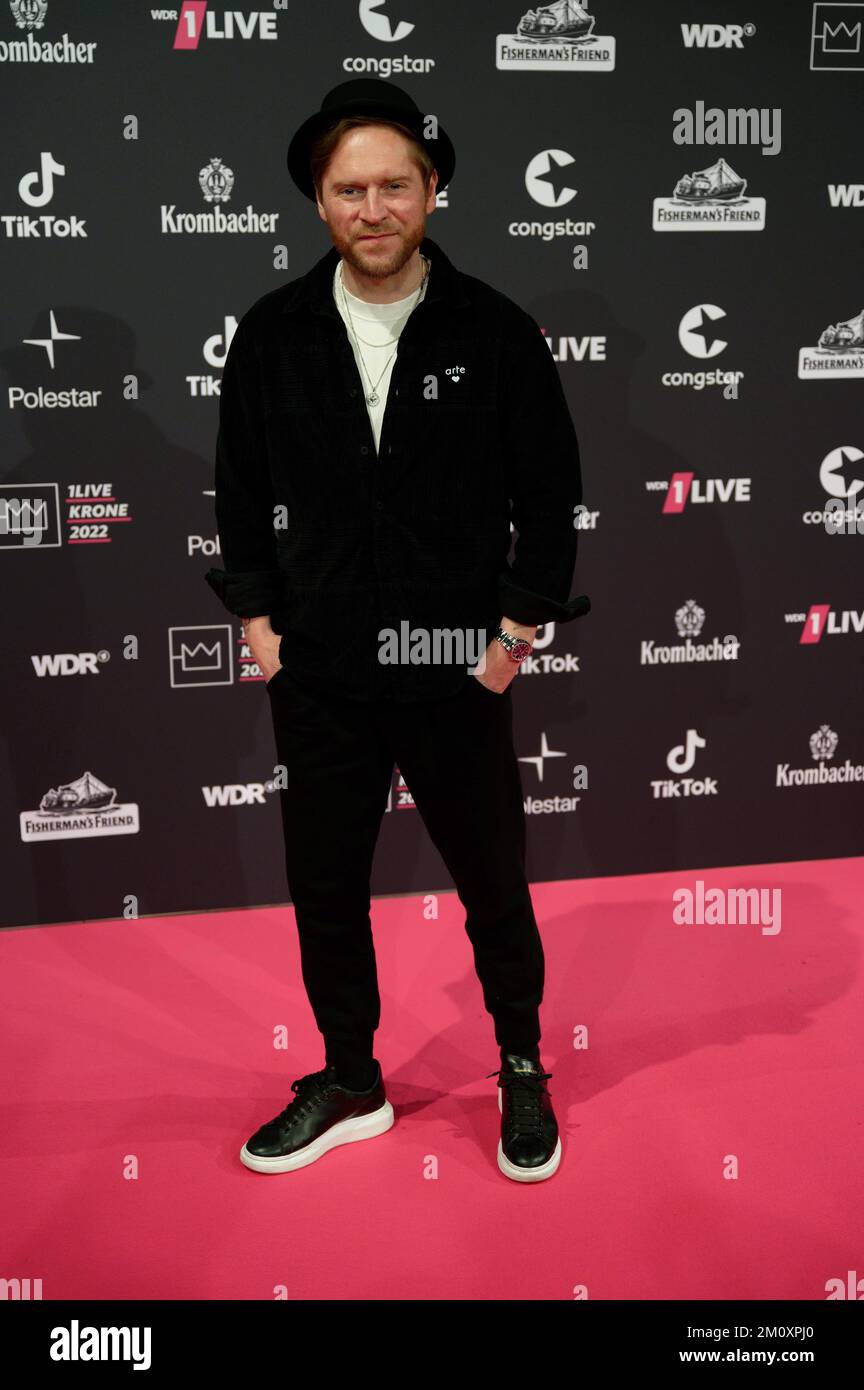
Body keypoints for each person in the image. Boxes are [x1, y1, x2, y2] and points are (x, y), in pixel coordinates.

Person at [204, 78, 590, 1183]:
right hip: (319, 666)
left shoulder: (498, 330)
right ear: (318, 202)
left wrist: (511, 635)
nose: (372, 207)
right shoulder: (273, 334)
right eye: (348, 189)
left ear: (432, 189)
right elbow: (241, 489)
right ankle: (349, 1078)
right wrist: (260, 622)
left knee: (492, 879)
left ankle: (520, 1061)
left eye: (393, 185)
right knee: (325, 884)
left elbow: (551, 494)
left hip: (453, 665)